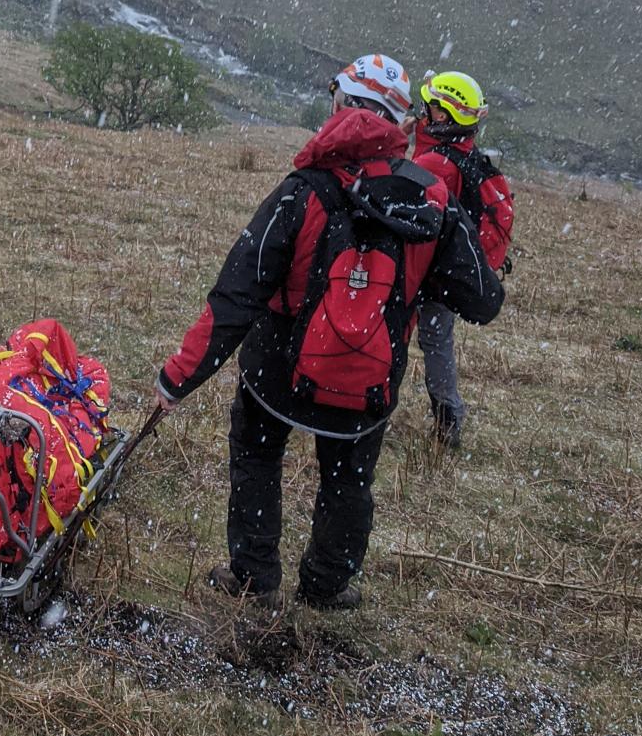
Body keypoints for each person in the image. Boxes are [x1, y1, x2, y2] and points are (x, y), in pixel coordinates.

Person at [155, 53, 504, 610]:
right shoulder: (431, 201)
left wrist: (178, 378)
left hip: (275, 376)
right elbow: (484, 301)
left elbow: (235, 296)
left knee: (258, 459)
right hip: (369, 387)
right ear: (401, 122)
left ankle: (253, 580)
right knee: (348, 483)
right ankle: (326, 586)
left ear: (340, 104)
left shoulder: (303, 188)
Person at [409, 69, 514, 451]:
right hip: (448, 271)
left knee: (394, 335)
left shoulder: (437, 163)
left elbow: (400, 190)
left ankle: (374, 405)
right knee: (438, 341)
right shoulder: (463, 155)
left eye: (432, 106)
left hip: (424, 269)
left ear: (445, 115)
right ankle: (448, 416)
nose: (426, 110)